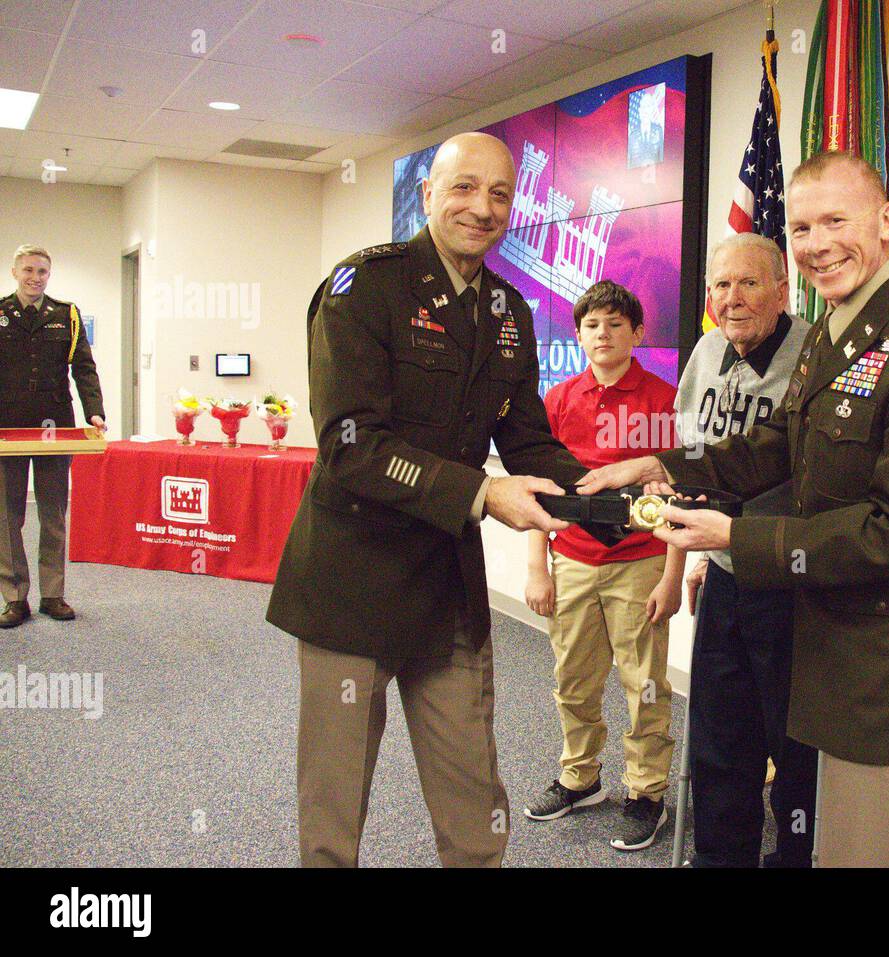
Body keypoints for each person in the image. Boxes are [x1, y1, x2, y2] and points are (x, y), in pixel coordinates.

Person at [578, 151, 889, 867]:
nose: (816, 244)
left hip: (883, 667)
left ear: (887, 222)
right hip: (829, 638)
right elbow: (780, 443)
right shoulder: (838, 336)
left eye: (836, 221)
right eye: (803, 227)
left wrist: (739, 537)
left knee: (863, 852)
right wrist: (664, 462)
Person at [266, 131, 587, 868]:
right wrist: (481, 491)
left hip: (446, 588)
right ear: (428, 195)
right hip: (351, 583)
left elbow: (527, 440)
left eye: (500, 194)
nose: (483, 207)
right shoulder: (363, 287)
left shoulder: (509, 308)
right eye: (465, 188)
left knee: (477, 805)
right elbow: (350, 446)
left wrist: (601, 488)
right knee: (333, 814)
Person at [521, 280, 683, 852]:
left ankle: (646, 792)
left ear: (638, 333)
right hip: (571, 560)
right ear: (579, 333)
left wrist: (671, 576)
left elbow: (676, 495)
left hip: (640, 561)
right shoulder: (559, 400)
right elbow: (539, 492)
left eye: (616, 324)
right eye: (592, 325)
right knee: (573, 679)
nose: (603, 334)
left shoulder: (663, 400)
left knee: (643, 685)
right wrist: (538, 567)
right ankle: (579, 777)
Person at [672, 232, 817, 867]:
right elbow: (692, 458)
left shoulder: (816, 355)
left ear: (783, 291)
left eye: (749, 283)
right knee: (718, 740)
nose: (732, 299)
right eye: (721, 285)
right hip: (725, 575)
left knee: (794, 748)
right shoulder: (705, 351)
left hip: (792, 581)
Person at [0, 245, 106, 628]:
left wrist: (95, 411)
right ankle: (15, 598)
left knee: (53, 514)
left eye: (42, 271)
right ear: (15, 272)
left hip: (55, 427)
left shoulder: (67, 315)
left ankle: (53, 594)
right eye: (28, 269)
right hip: (7, 429)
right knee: (7, 517)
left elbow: (84, 368)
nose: (35, 277)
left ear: (49, 275)